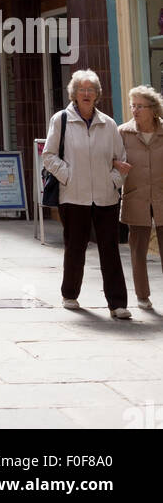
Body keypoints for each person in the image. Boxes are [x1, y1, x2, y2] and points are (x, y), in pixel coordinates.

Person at [42, 68, 131, 319]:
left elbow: (120, 159)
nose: (86, 93)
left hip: (106, 197)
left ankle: (117, 303)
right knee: (75, 247)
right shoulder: (61, 120)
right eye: (81, 89)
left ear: (97, 95)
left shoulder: (108, 123)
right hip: (73, 195)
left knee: (110, 250)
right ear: (74, 93)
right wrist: (67, 175)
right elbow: (48, 155)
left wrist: (113, 181)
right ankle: (70, 294)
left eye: (91, 89)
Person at [118, 85, 163, 308]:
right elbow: (112, 159)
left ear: (153, 109)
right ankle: (142, 296)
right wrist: (116, 164)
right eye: (132, 106)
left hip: (162, 196)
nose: (134, 110)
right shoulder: (123, 132)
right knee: (138, 250)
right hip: (136, 197)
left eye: (140, 106)